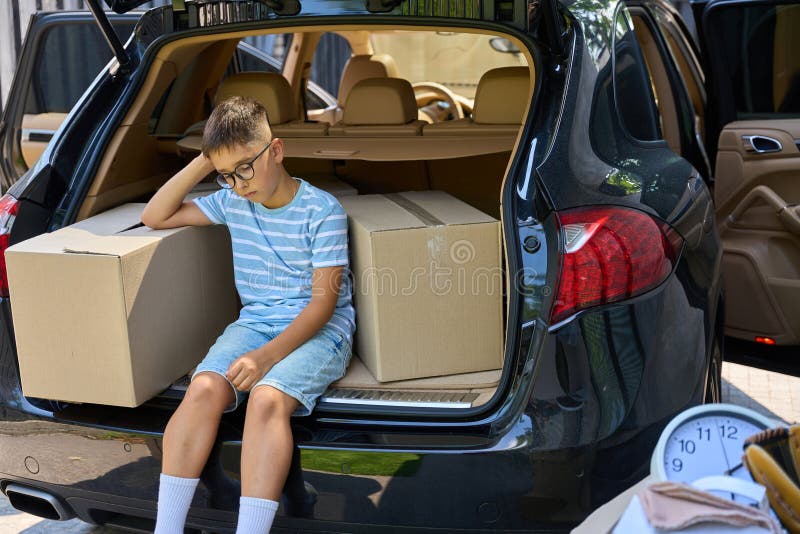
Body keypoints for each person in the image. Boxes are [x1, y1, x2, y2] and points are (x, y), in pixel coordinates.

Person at [141, 95, 355, 533]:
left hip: (322, 329)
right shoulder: (231, 201)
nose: (239, 184)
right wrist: (204, 164)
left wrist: (266, 358)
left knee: (266, 398)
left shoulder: (323, 211)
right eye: (225, 174)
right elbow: (154, 216)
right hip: (255, 323)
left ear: (275, 150)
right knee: (202, 388)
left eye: (245, 167)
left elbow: (323, 305)